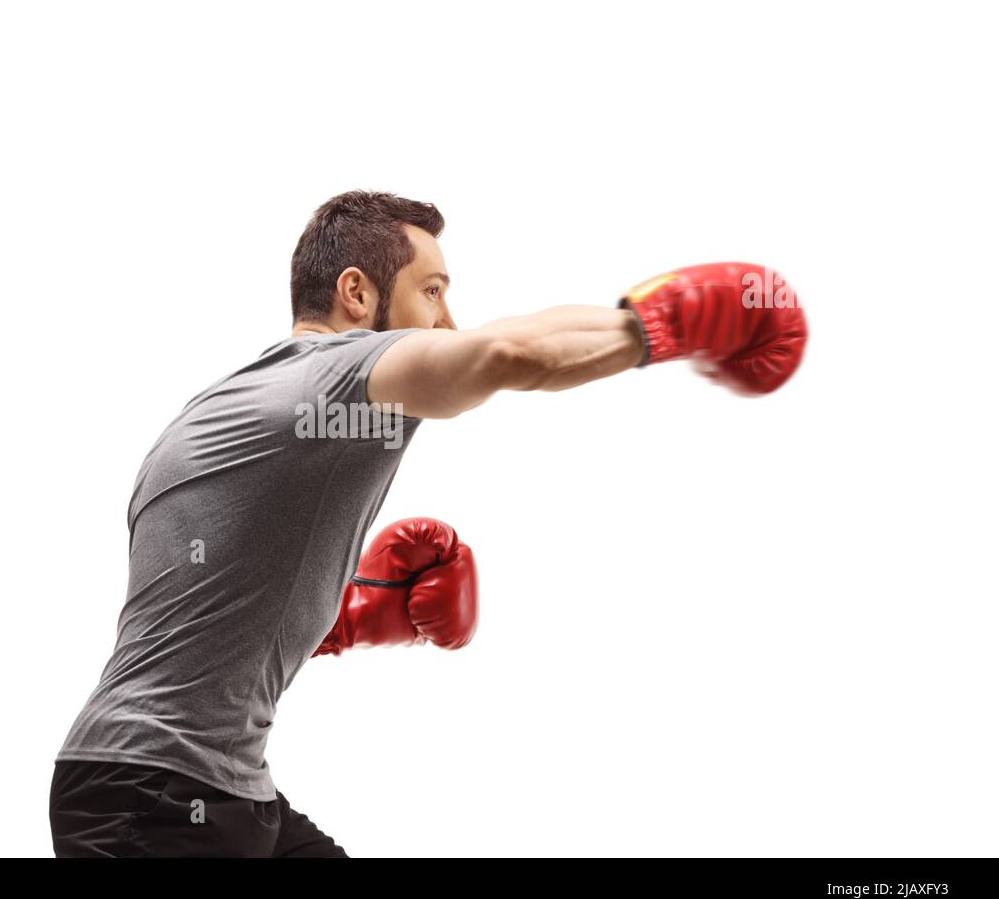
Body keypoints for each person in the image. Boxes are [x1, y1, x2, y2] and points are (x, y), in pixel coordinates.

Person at [48, 190, 808, 857]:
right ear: (356, 294)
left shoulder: (236, 405)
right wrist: (676, 323)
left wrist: (342, 620)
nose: (447, 320)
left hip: (203, 788)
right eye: (432, 291)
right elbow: (512, 351)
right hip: (152, 801)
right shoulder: (331, 379)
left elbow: (194, 609)